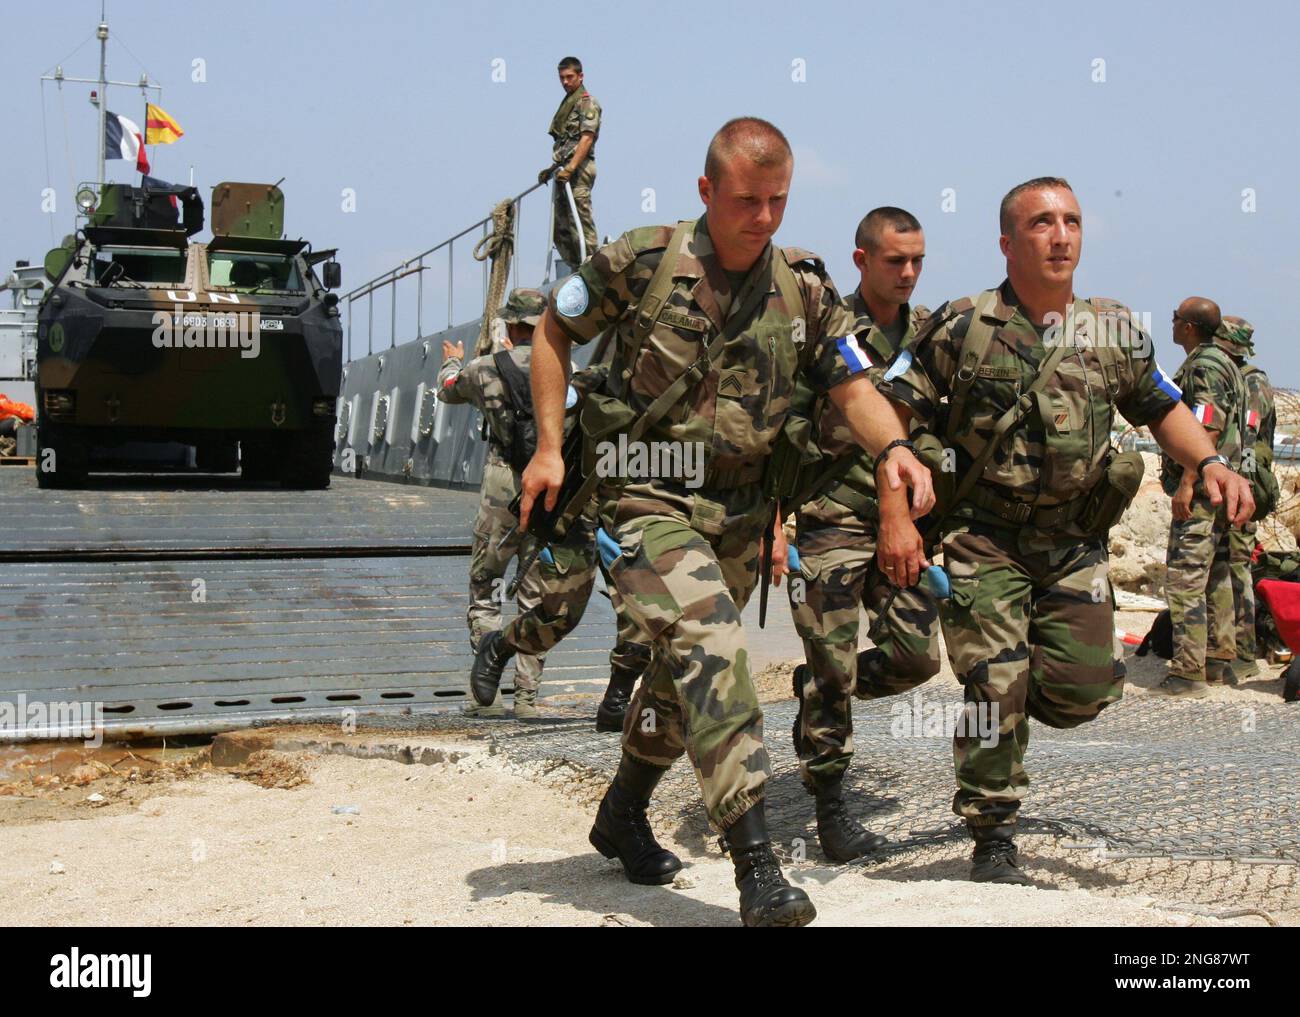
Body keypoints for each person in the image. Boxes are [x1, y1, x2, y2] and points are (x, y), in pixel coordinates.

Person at [484, 117, 934, 927]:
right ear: (706, 192)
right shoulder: (644, 260)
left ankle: (622, 811)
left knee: (680, 682)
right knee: (714, 646)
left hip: (740, 511)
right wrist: (550, 447)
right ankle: (756, 866)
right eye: (746, 201)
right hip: (645, 491)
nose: (762, 218)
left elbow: (850, 386)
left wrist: (895, 448)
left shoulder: (804, 286)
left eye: (777, 201)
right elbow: (555, 327)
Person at [875, 177, 1255, 884]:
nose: (1061, 234)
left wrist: (1208, 461)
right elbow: (892, 414)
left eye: (1072, 221)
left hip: (1071, 541)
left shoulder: (1113, 330)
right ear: (1006, 242)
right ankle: (992, 830)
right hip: (982, 536)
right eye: (1042, 222)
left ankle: (1028, 693)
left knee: (1084, 691)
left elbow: (1160, 406)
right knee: (996, 680)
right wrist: (896, 507)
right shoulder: (961, 325)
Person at [786, 206, 941, 861]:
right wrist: (774, 525)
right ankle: (830, 806)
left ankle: (821, 687)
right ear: (861, 260)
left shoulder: (931, 333)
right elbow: (780, 432)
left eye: (917, 262)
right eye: (894, 261)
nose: (907, 273)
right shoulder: (826, 332)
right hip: (832, 520)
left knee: (916, 657)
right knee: (831, 661)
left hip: (906, 528)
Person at [436, 288, 550, 718]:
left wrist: (453, 359)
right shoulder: (564, 369)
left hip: (503, 484)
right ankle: (527, 698)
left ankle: (487, 696)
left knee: (486, 586)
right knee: (535, 595)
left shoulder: (484, 369)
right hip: (545, 483)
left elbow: (448, 389)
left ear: (511, 326)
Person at [1160, 297, 1248, 695]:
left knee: (1185, 579)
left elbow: (1206, 428)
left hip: (1202, 491)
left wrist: (1186, 482)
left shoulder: (1205, 366)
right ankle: (1219, 657)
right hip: (1223, 489)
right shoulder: (1229, 363)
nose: (1172, 323)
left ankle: (1188, 671)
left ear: (1190, 327)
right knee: (1216, 574)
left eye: (1176, 318)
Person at [1213, 314, 1275, 683]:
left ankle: (1245, 653)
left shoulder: (1251, 381)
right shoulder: (1242, 377)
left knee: (1237, 567)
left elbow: (1247, 441)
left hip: (1243, 486)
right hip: (1237, 483)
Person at [539, 56, 600, 268]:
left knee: (580, 223)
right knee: (561, 229)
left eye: (569, 77)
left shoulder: (586, 103)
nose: (565, 82)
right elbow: (566, 143)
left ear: (580, 76)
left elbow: (587, 137)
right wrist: (552, 169)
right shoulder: (568, 104)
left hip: (580, 170)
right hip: (564, 171)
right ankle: (577, 268)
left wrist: (572, 167)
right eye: (561, 78)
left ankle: (593, 268)